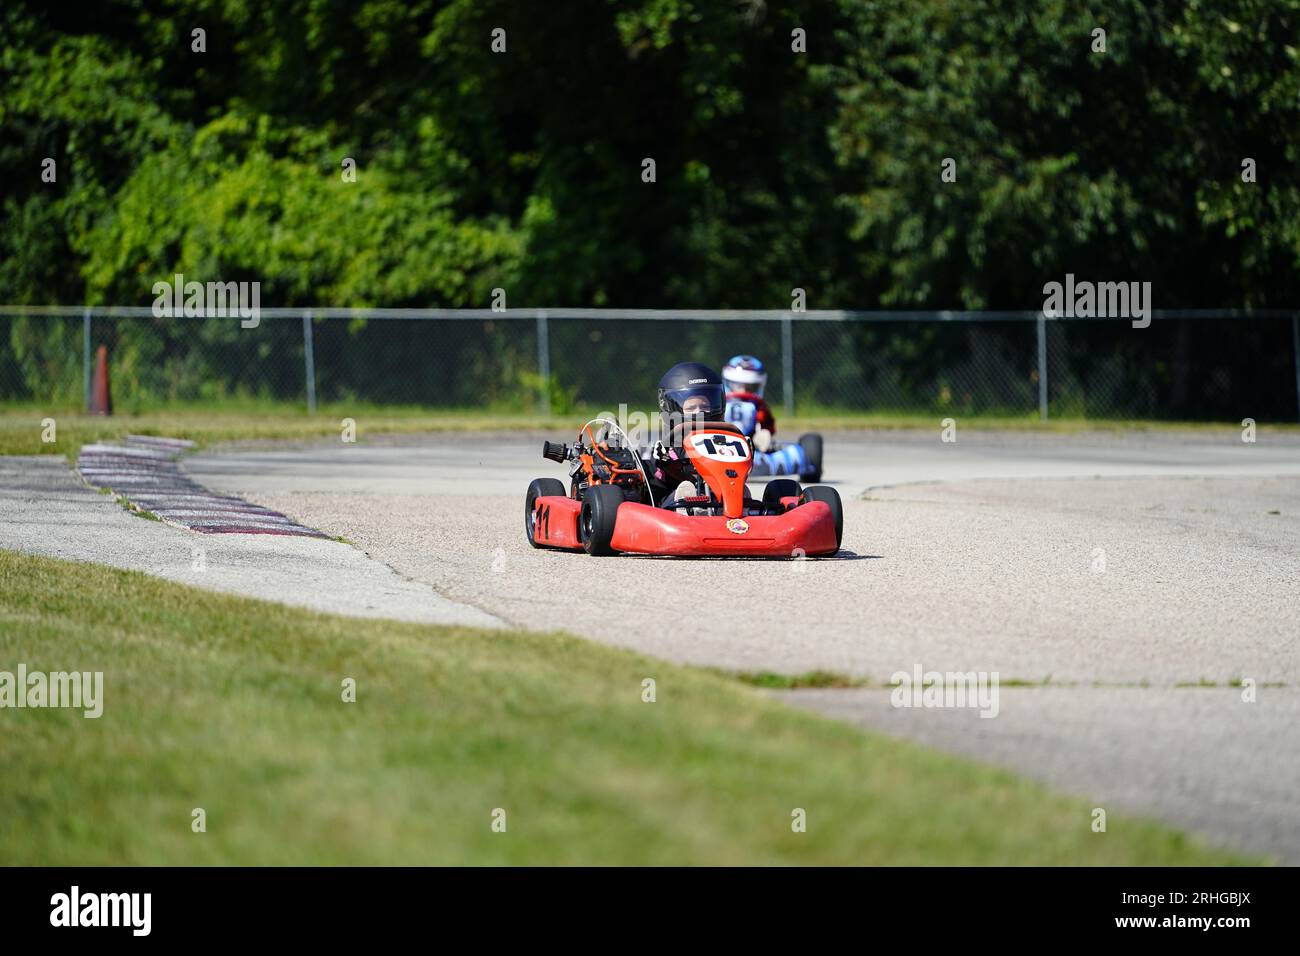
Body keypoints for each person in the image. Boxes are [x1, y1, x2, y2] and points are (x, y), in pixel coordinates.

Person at [721, 354, 776, 450]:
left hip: (752, 444)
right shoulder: (720, 406)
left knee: (764, 435)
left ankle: (758, 448)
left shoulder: (759, 408)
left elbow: (770, 427)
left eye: (749, 387)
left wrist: (763, 430)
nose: (743, 391)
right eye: (738, 386)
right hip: (721, 441)